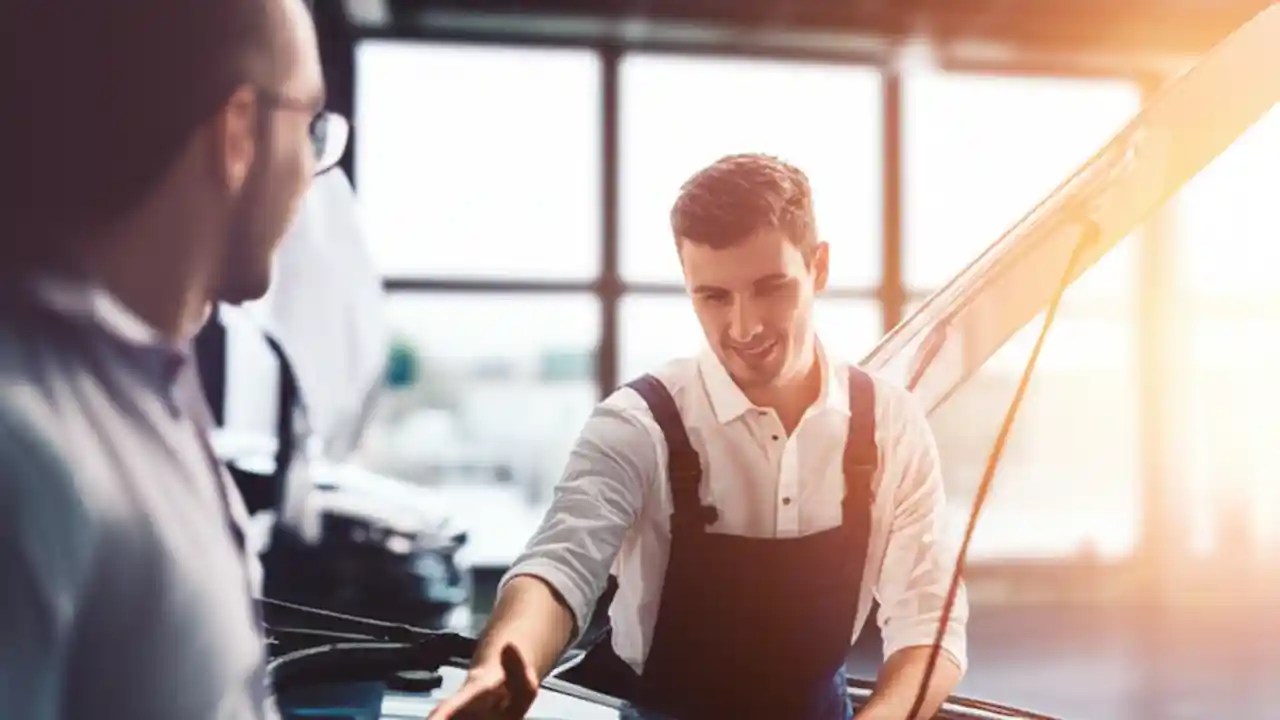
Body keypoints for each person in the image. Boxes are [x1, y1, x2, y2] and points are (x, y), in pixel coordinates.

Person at [431, 154, 968, 720]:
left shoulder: (891, 425)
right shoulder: (637, 424)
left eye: (771, 288)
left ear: (820, 267)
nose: (744, 327)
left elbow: (929, 622)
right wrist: (502, 661)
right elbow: (560, 567)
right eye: (714, 297)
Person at [0, 0, 335, 717]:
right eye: (309, 127)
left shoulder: (147, 393)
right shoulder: (22, 459)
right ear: (239, 132)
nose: (314, 169)